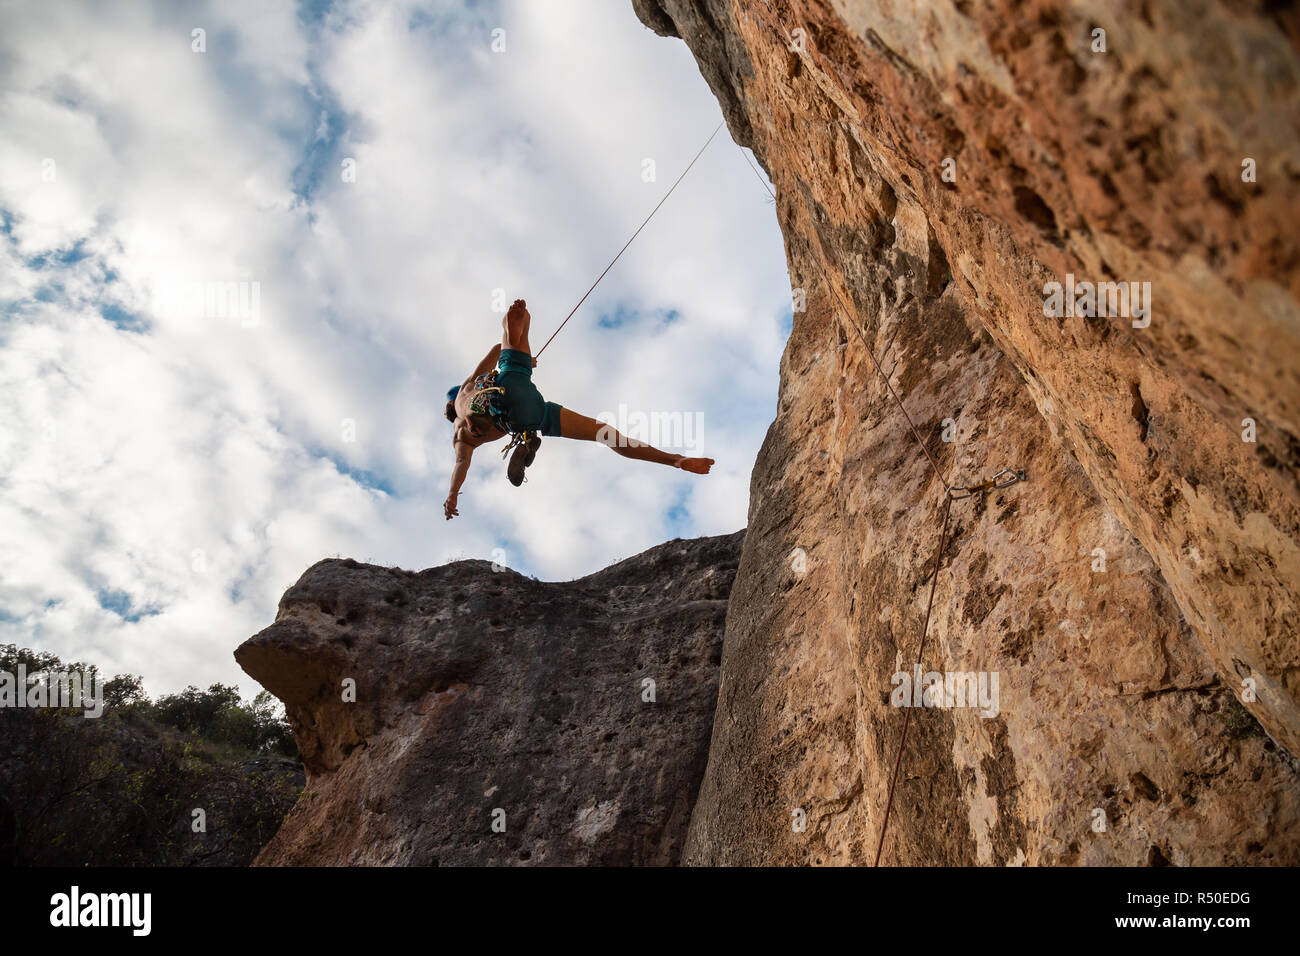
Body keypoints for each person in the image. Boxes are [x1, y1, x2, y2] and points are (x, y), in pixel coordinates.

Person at [443, 298, 714, 519]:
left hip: (511, 415)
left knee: (604, 435)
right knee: (517, 321)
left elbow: (461, 464)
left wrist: (453, 494)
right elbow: (494, 349)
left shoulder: (460, 436)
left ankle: (526, 440)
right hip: (513, 386)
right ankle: (674, 459)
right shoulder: (469, 385)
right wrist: (521, 354)